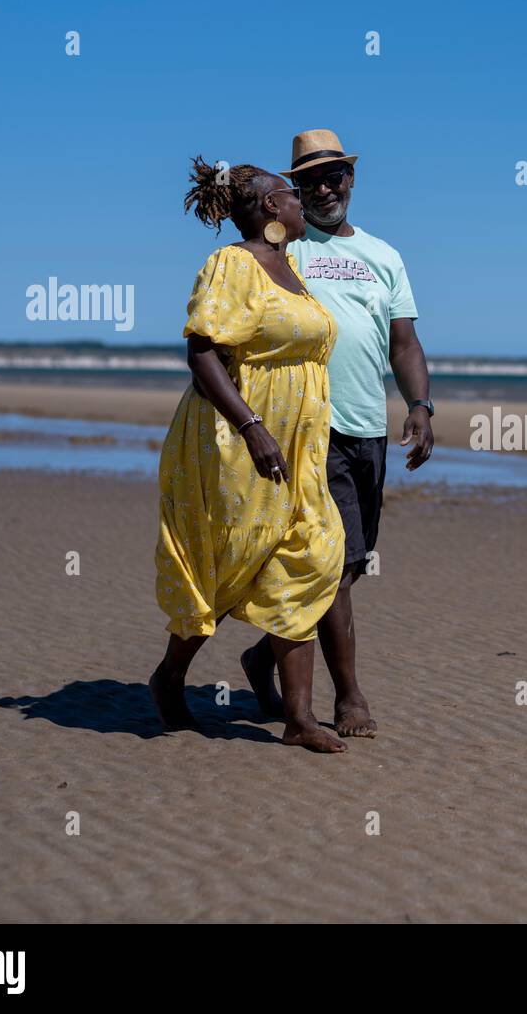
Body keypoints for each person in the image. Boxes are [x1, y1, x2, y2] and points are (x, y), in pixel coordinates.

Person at [239, 129, 434, 739]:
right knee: (333, 564)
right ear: (293, 189)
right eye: (311, 179)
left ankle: (263, 656)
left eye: (335, 175)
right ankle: (348, 698)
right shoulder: (284, 247)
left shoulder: (385, 255)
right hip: (303, 427)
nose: (325, 187)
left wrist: (420, 405)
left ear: (352, 179)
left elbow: (404, 343)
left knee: (353, 559)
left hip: (366, 428)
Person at [150, 156, 349, 753]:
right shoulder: (232, 264)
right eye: (290, 195)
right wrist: (253, 428)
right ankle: (170, 677)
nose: (299, 202)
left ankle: (298, 719)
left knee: (311, 553)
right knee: (230, 561)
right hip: (236, 439)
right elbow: (203, 352)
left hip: (300, 445)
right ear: (269, 207)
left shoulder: (290, 267)